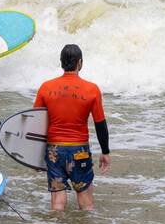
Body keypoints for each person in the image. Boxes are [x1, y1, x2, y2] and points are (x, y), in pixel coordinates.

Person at [33, 44, 110, 212]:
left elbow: (36, 123)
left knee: (57, 202)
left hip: (54, 151)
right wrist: (105, 152)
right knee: (85, 200)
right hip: (79, 151)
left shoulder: (46, 87)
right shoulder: (92, 89)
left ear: (61, 62)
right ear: (80, 63)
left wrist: (35, 157)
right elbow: (100, 123)